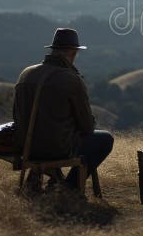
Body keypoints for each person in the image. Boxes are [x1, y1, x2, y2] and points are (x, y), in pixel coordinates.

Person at [13, 28, 113, 191]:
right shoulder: (71, 79)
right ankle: (69, 187)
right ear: (73, 52)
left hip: (25, 147)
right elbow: (87, 127)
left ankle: (52, 180)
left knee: (54, 135)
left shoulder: (25, 74)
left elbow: (17, 115)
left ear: (53, 50)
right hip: (57, 148)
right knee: (105, 139)